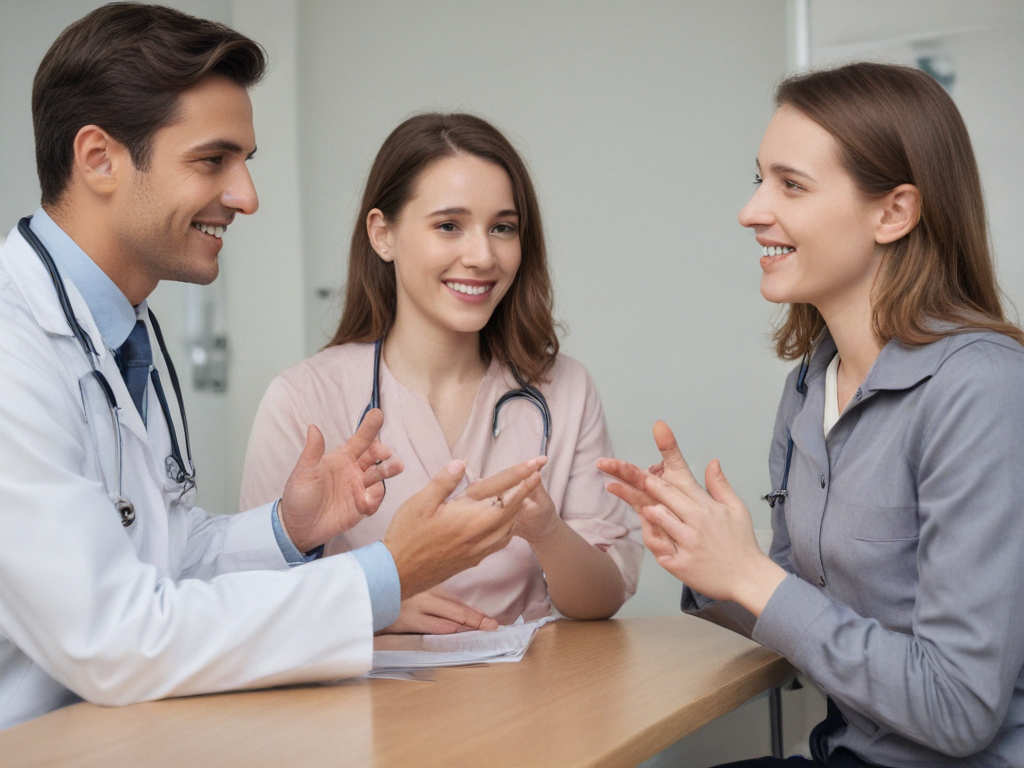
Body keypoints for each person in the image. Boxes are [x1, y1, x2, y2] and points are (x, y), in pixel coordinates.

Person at [0, 4, 545, 730]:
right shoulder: (14, 344)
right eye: (211, 161)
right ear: (99, 158)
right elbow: (115, 637)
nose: (246, 197)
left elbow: (162, 552)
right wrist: (389, 572)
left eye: (245, 164)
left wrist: (287, 528)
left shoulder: (124, 332)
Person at [599, 62, 1024, 767]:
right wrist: (709, 563)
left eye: (790, 185)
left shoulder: (981, 388)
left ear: (893, 212)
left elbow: (959, 708)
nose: (752, 210)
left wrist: (749, 577)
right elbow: (802, 611)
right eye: (759, 178)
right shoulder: (810, 384)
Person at [240, 113, 641, 631]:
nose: (481, 256)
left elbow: (601, 599)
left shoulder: (564, 389)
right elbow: (254, 600)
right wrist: (374, 605)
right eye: (449, 225)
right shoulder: (301, 399)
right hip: (370, 706)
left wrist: (546, 531)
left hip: (532, 699)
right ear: (382, 235)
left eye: (502, 228)